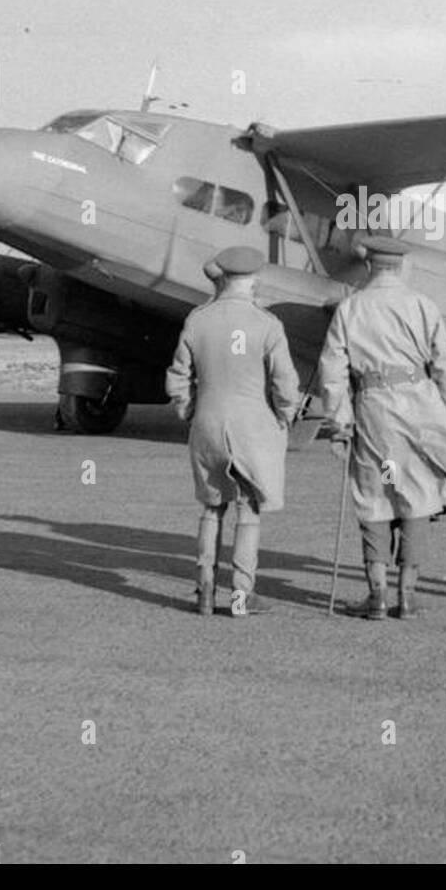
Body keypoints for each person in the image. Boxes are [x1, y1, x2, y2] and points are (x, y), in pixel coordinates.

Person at [318, 235, 446, 620]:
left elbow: (333, 371)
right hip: (421, 410)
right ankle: (406, 597)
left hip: (376, 415)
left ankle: (378, 596)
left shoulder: (350, 308)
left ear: (369, 265)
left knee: (378, 490)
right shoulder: (423, 305)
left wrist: (340, 423)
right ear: (401, 266)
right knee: (417, 493)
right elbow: (445, 368)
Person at [166, 246, 301, 617]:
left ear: (223, 277)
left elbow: (178, 376)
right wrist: (285, 416)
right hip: (252, 429)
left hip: (207, 423)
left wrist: (188, 410)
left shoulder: (198, 319)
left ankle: (205, 590)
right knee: (248, 509)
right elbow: (285, 383)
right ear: (253, 280)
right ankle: (241, 597)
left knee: (212, 506)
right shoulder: (267, 324)